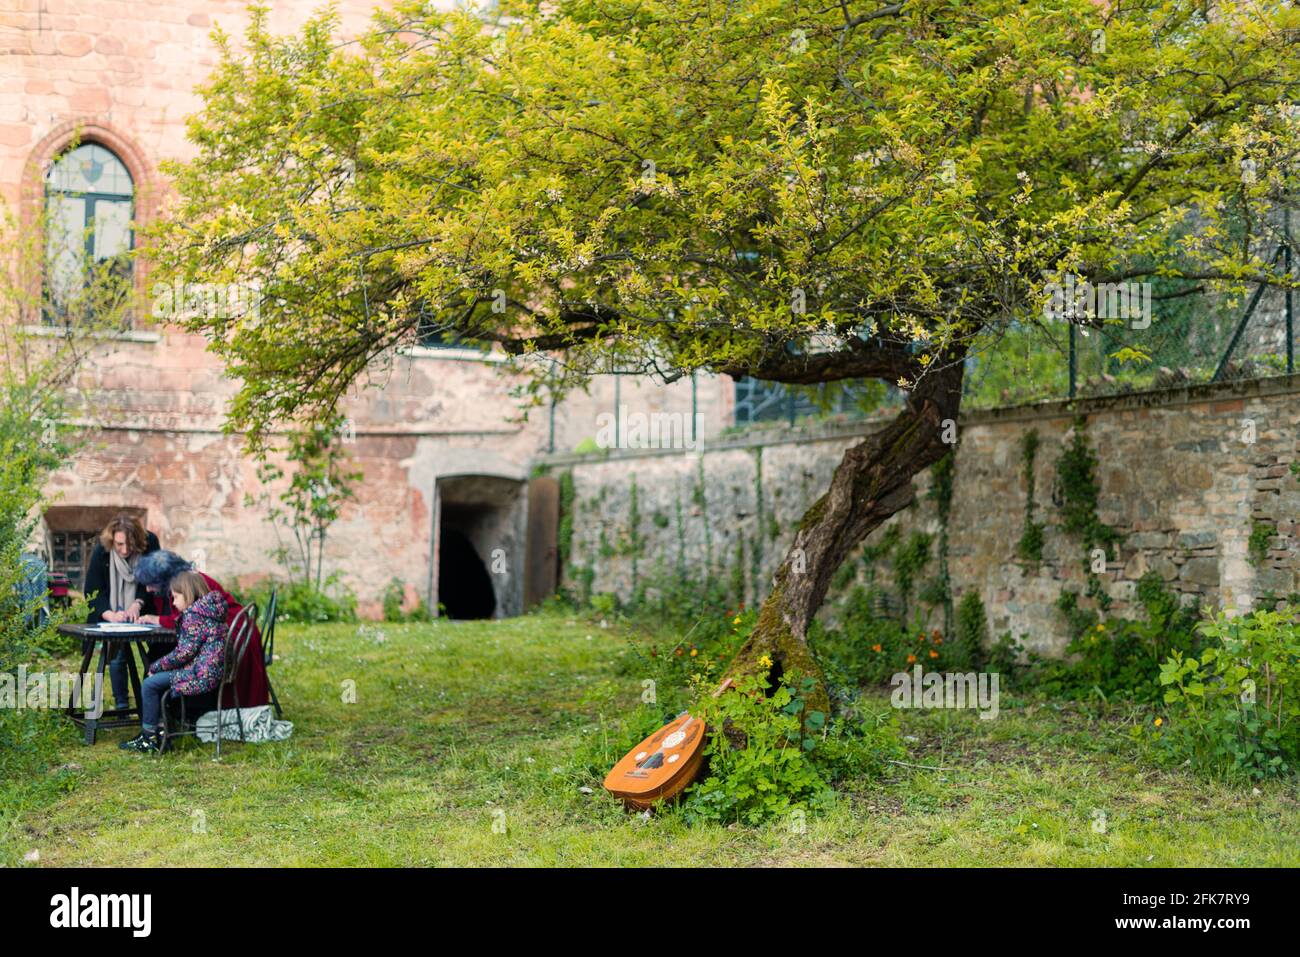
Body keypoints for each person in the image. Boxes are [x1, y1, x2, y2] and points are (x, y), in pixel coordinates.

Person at [134, 550, 270, 711]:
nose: (149, 589)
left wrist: (157, 620)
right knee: (162, 652)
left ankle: (184, 710)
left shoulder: (188, 583)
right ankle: (173, 710)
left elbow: (190, 622)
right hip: (226, 630)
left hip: (234, 633)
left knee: (167, 654)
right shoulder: (184, 581)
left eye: (152, 583)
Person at [120, 571, 227, 754]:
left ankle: (149, 738)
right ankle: (160, 732)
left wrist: (156, 666)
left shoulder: (194, 615)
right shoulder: (210, 609)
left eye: (176, 597)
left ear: (189, 594)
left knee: (149, 683)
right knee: (156, 681)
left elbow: (184, 653)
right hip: (210, 670)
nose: (174, 602)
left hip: (201, 674)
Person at [82, 513, 161, 709]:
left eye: (130, 545)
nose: (125, 550)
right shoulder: (102, 548)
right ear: (112, 541)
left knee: (159, 651)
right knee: (117, 654)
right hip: (112, 611)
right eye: (119, 545)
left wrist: (137, 604)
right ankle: (122, 705)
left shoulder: (150, 542)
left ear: (139, 540)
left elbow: (153, 579)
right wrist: (110, 615)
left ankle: (150, 705)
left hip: (145, 609)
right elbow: (93, 590)